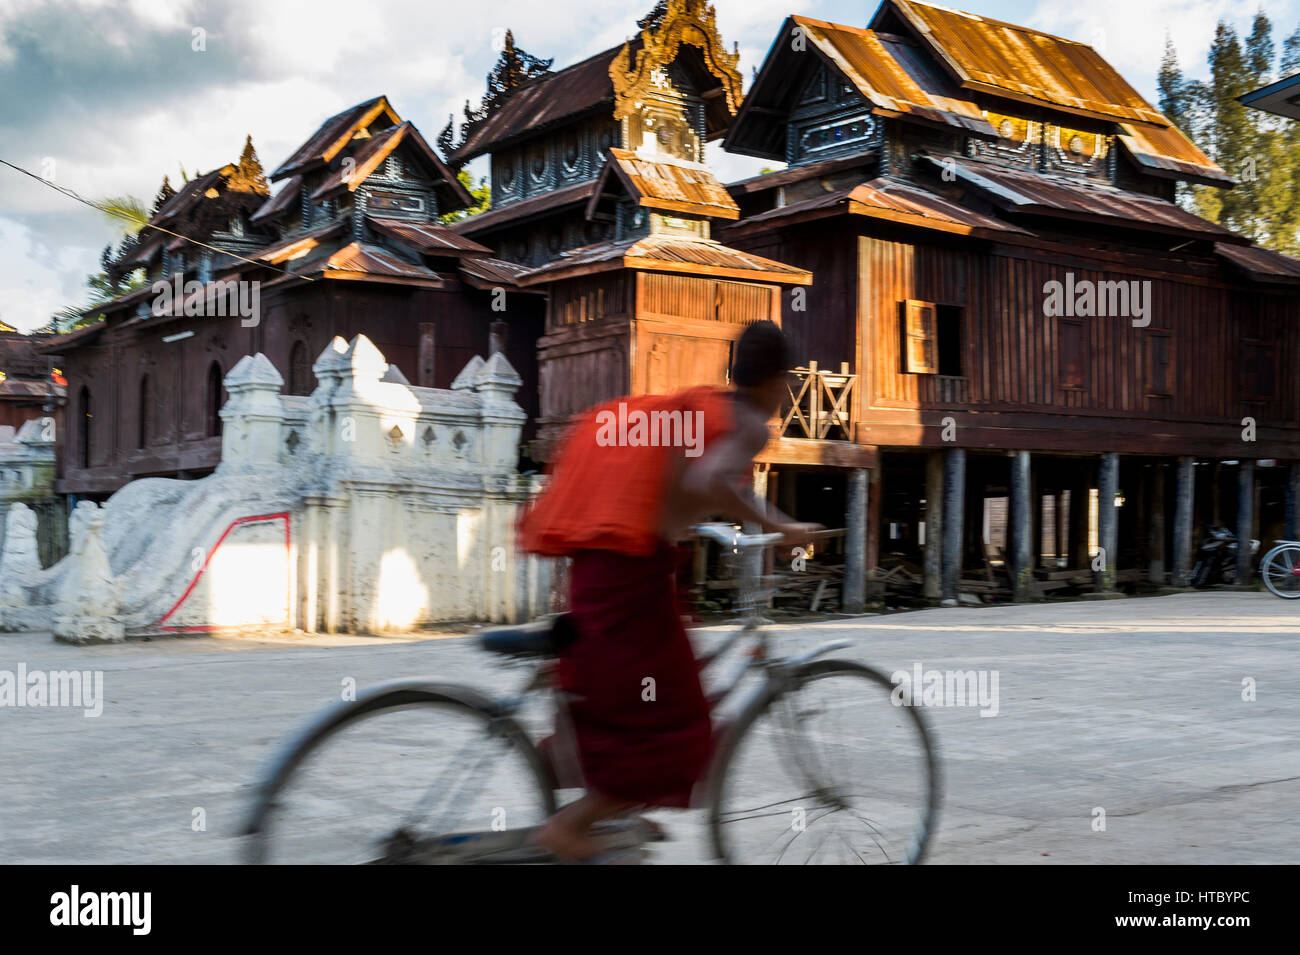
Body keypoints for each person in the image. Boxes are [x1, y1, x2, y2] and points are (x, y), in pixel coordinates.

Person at [519, 319, 819, 861]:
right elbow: (709, 482)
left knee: (635, 693)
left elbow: (682, 486)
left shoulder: (709, 409)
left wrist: (699, 523)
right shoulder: (748, 420)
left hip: (611, 568)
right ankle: (577, 824)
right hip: (629, 577)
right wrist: (783, 525)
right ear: (780, 380)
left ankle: (613, 807)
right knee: (680, 723)